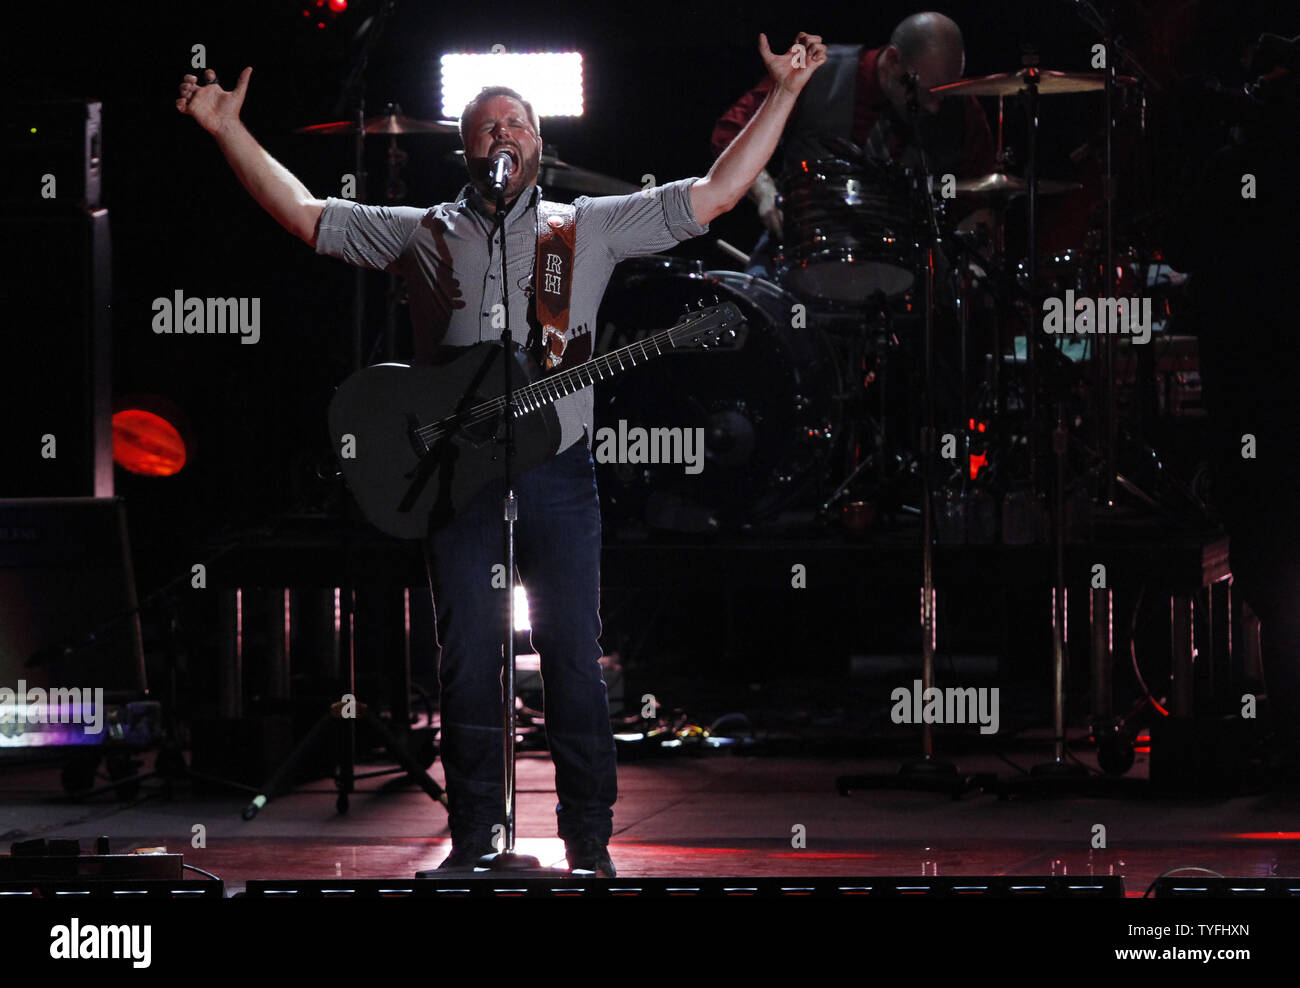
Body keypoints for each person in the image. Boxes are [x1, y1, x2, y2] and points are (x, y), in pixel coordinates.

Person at [176, 32, 829, 875]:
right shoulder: (424, 232)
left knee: (572, 662)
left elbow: (713, 194)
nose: (504, 136)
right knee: (469, 659)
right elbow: (308, 216)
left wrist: (781, 95)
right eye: (488, 127)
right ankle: (475, 835)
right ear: (465, 148)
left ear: (538, 144)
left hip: (558, 470)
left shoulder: (581, 228)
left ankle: (588, 840)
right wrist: (229, 130)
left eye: (517, 124)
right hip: (455, 474)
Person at [710, 11, 995, 279]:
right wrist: (765, 193)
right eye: (924, 94)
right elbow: (731, 133)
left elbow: (980, 200)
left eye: (944, 93)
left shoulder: (962, 110)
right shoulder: (816, 73)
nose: (934, 109)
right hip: (801, 249)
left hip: (904, 272)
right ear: (894, 60)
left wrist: (973, 268)